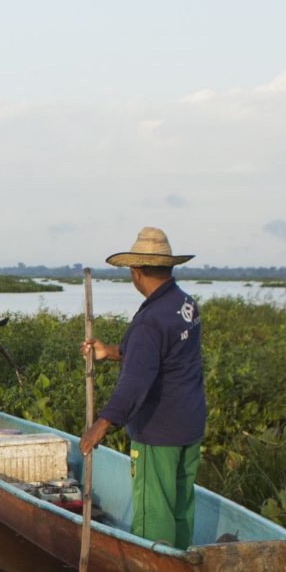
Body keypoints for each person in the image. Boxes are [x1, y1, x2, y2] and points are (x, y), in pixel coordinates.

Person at [78, 227, 205, 549]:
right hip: (189, 424)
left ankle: (158, 569)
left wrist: (102, 424)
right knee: (180, 507)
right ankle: (181, 564)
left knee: (154, 516)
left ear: (135, 271)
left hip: (158, 431)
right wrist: (109, 351)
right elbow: (157, 354)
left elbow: (135, 382)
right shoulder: (184, 303)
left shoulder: (150, 319)